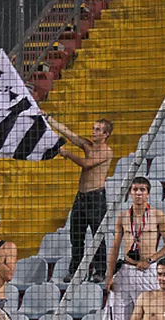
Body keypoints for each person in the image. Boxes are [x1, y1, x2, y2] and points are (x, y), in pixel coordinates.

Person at [105, 177, 165, 320]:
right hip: (126, 268)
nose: (138, 193)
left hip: (148, 270)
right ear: (130, 193)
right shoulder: (122, 216)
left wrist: (150, 260)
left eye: (142, 190)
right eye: (135, 189)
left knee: (150, 310)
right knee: (121, 312)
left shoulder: (158, 215)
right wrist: (109, 276)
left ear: (148, 194)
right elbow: (115, 246)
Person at [47, 116, 114, 283]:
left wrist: (68, 154)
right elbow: (68, 133)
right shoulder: (87, 145)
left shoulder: (106, 151)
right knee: (76, 236)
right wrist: (48, 119)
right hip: (81, 196)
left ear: (106, 134)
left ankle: (99, 270)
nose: (93, 132)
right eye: (93, 128)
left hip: (95, 197)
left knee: (97, 235)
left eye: (98, 129)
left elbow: (86, 164)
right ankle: (76, 270)